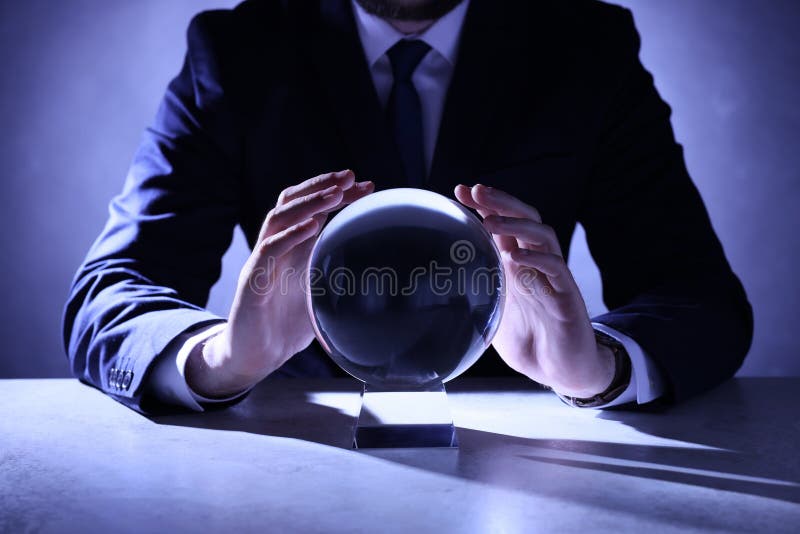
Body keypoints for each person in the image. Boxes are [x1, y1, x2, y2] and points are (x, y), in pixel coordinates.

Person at [63, 0, 753, 414]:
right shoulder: (238, 52)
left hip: (532, 448)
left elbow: (700, 297)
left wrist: (598, 368)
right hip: (304, 447)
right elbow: (109, 291)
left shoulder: (584, 47)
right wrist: (222, 360)